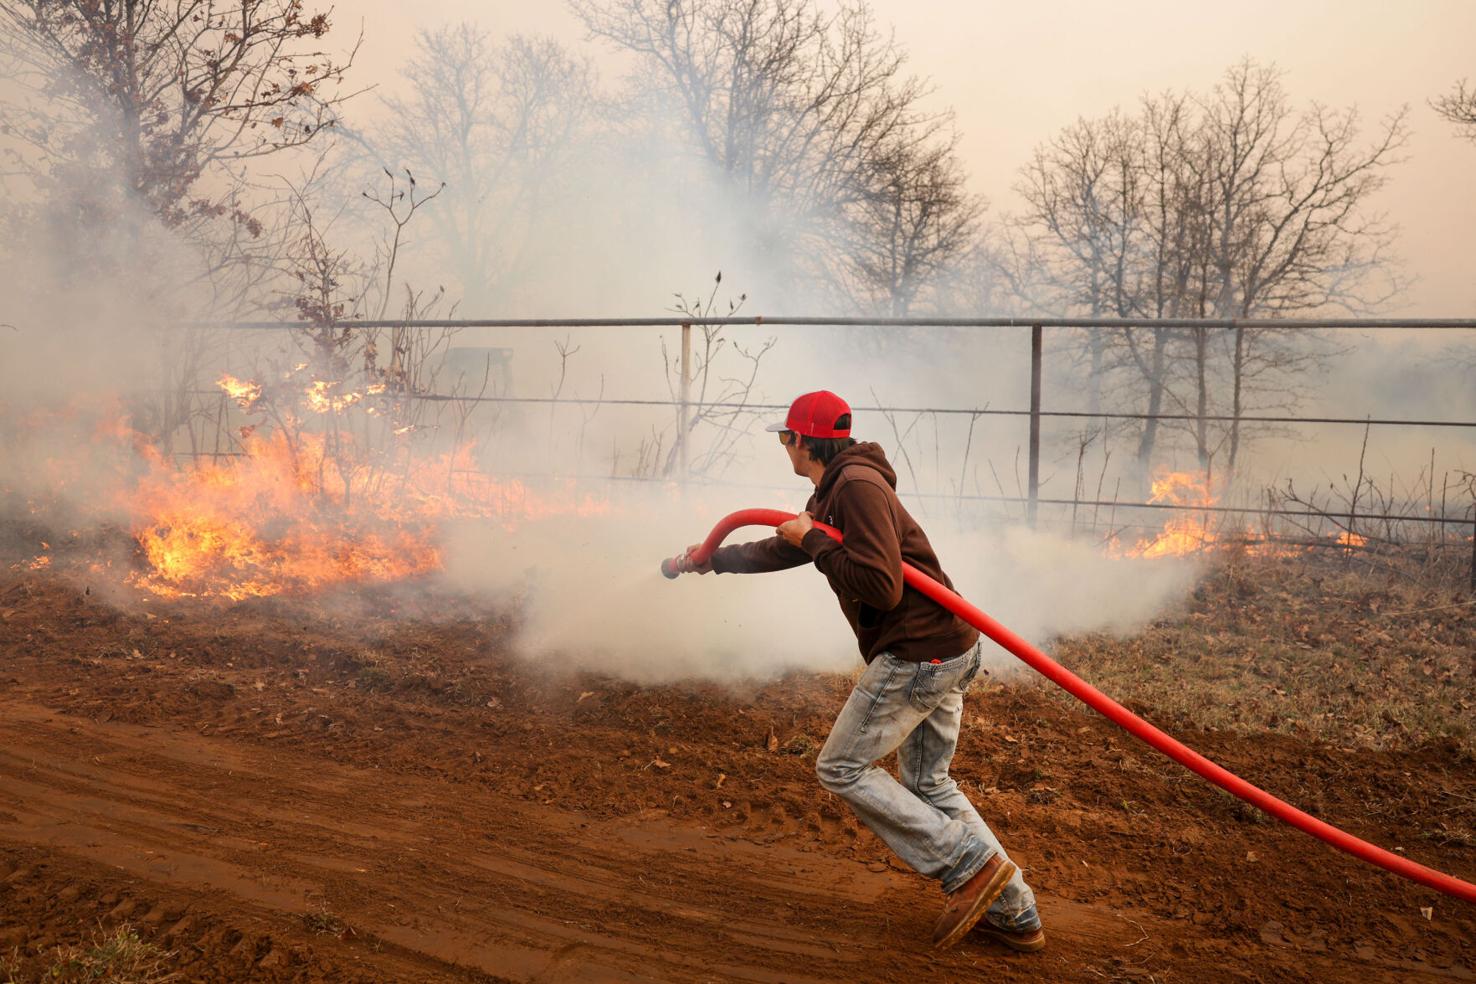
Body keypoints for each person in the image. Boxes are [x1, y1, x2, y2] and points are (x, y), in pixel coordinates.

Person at [679, 390, 1044, 952]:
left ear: (803, 441)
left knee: (842, 767)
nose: (784, 449)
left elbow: (878, 583)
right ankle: (1013, 910)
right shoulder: (839, 487)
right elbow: (792, 548)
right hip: (943, 646)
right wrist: (716, 559)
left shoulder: (855, 487)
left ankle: (967, 866)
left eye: (784, 439)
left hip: (917, 654)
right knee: (928, 783)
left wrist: (816, 540)